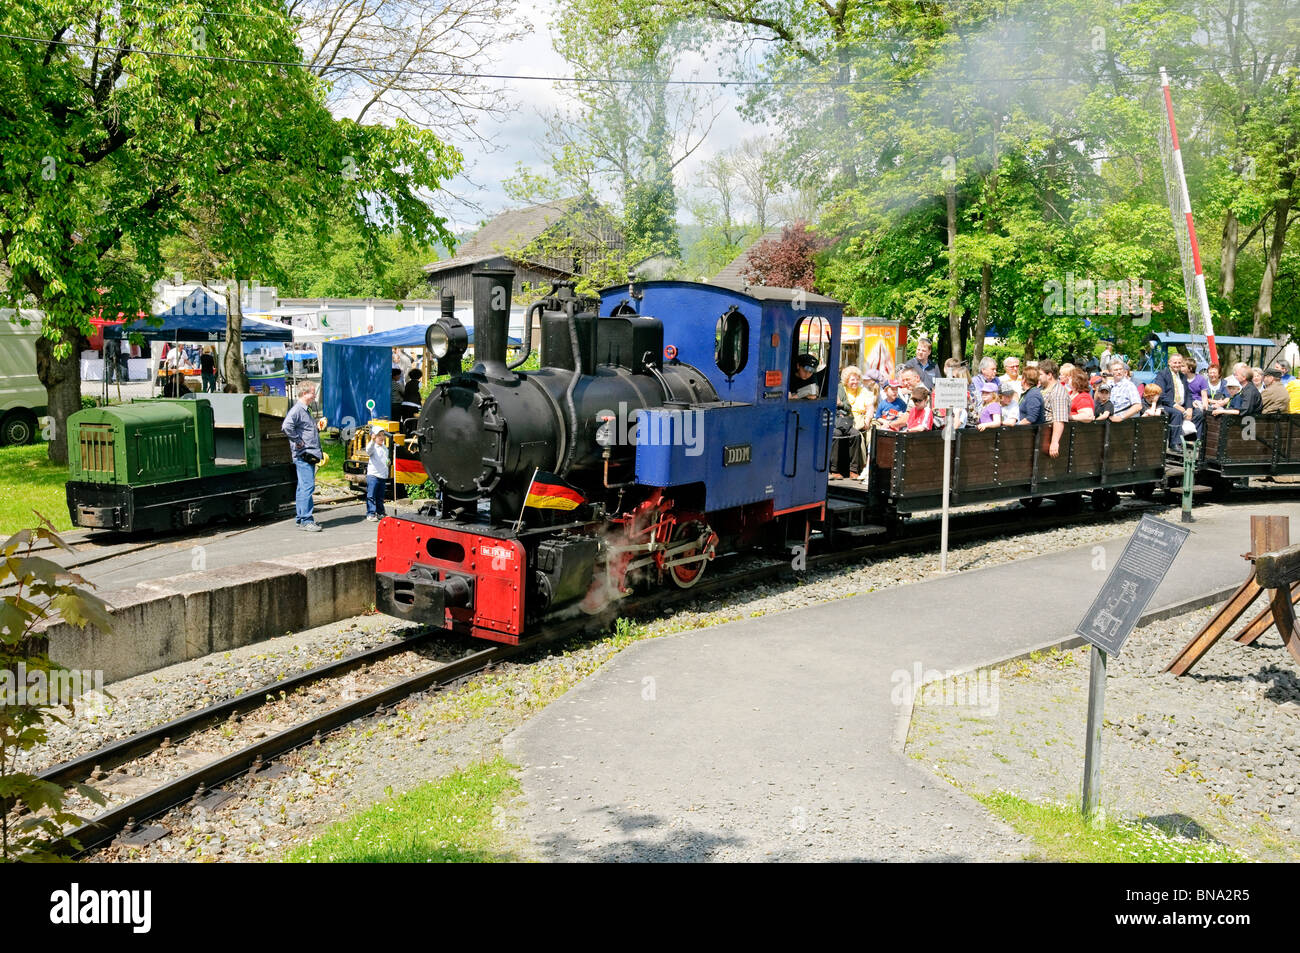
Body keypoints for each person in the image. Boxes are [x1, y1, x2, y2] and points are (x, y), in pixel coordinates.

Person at [282, 382, 324, 532]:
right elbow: (286, 426)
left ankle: (301, 518)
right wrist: (298, 441)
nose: (314, 396)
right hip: (304, 454)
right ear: (305, 393)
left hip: (307, 453)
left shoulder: (305, 410)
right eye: (312, 393)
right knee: (307, 486)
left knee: (302, 487)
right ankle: (307, 520)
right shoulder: (298, 410)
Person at [1153, 352, 1203, 449]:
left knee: (1199, 413)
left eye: (1179, 363)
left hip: (1182, 405)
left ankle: (1192, 441)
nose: (1177, 365)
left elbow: (1188, 394)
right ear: (1169, 363)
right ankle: (1174, 443)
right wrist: (1176, 406)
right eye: (1174, 362)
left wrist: (1189, 408)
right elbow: (1161, 394)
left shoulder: (1183, 376)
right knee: (1177, 413)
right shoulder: (1162, 374)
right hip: (1167, 405)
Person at [1038, 359, 1071, 457]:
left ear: (1049, 375)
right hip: (1039, 433)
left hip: (1047, 435)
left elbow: (1059, 419)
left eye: (1040, 374)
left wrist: (1054, 442)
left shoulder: (1058, 393)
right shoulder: (1042, 389)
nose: (1038, 377)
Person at [364, 425, 389, 522]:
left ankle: (380, 512)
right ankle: (371, 513)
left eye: (383, 435)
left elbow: (385, 459)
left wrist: (388, 462)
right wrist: (372, 440)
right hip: (373, 475)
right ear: (374, 436)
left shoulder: (384, 448)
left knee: (380, 496)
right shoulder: (373, 446)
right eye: (379, 436)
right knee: (371, 495)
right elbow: (368, 450)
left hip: (382, 475)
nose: (382, 438)